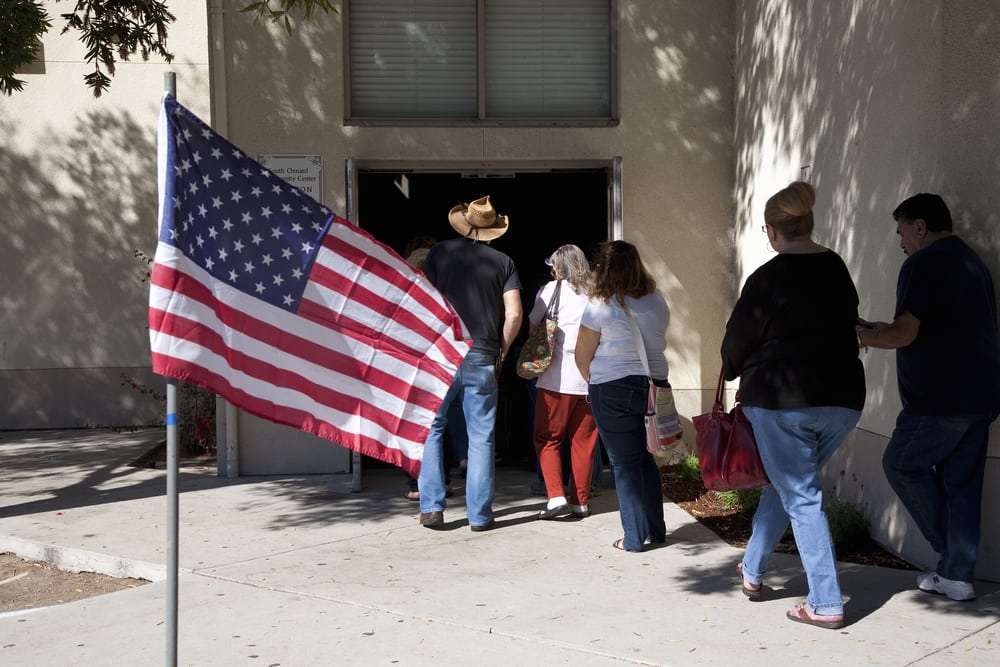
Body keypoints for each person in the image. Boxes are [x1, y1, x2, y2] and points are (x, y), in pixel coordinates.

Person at [722, 181, 865, 630]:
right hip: (842, 401)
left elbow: (736, 344)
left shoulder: (767, 278)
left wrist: (730, 371)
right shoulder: (836, 267)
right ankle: (752, 570)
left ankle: (825, 602)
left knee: (800, 495)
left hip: (783, 404)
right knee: (787, 486)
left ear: (773, 230)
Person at [857, 193, 1000, 601]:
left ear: (920, 226)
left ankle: (951, 552)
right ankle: (957, 577)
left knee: (900, 463)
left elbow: (905, 334)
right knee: (962, 485)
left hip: (940, 400)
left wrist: (858, 337)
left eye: (902, 232)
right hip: (981, 397)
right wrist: (878, 328)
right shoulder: (972, 262)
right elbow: (929, 327)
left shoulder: (923, 262)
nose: (900, 242)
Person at [417, 196, 522, 531]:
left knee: (432, 428)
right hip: (482, 353)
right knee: (481, 437)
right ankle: (479, 515)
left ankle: (432, 507)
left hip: (442, 351)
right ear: (494, 229)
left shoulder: (440, 253)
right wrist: (502, 352)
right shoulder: (503, 262)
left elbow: (422, 298)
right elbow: (515, 313)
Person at [575, 240, 670, 551]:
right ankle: (656, 531)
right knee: (645, 460)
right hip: (653, 386)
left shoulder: (600, 305)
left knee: (624, 464)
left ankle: (633, 538)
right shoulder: (656, 301)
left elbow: (582, 355)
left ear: (605, 269)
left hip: (612, 388)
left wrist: (596, 381)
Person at [531, 245, 600, 520]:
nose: (552, 270)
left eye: (555, 265)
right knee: (583, 443)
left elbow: (533, 324)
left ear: (562, 267)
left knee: (547, 439)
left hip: (554, 380)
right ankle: (580, 502)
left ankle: (556, 496)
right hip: (589, 380)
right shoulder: (597, 293)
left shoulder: (551, 290)